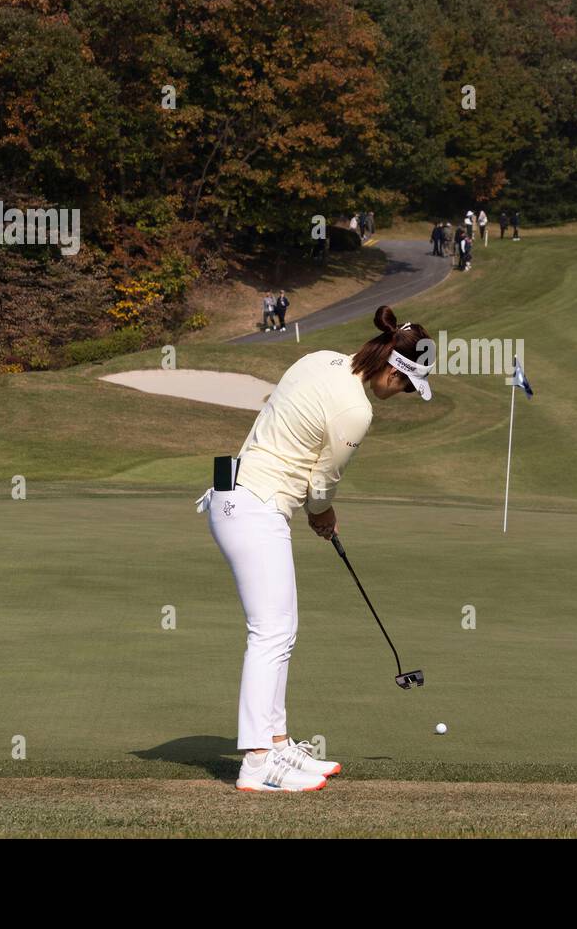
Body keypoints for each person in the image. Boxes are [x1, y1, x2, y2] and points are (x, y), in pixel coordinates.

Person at [201, 306, 435, 792]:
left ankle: (279, 744)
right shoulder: (357, 409)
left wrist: (312, 507)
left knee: (280, 630)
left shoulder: (321, 359)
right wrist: (321, 514)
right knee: (271, 632)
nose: (406, 395)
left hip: (236, 493)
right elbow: (322, 482)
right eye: (410, 387)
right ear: (395, 370)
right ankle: (258, 762)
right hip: (255, 504)